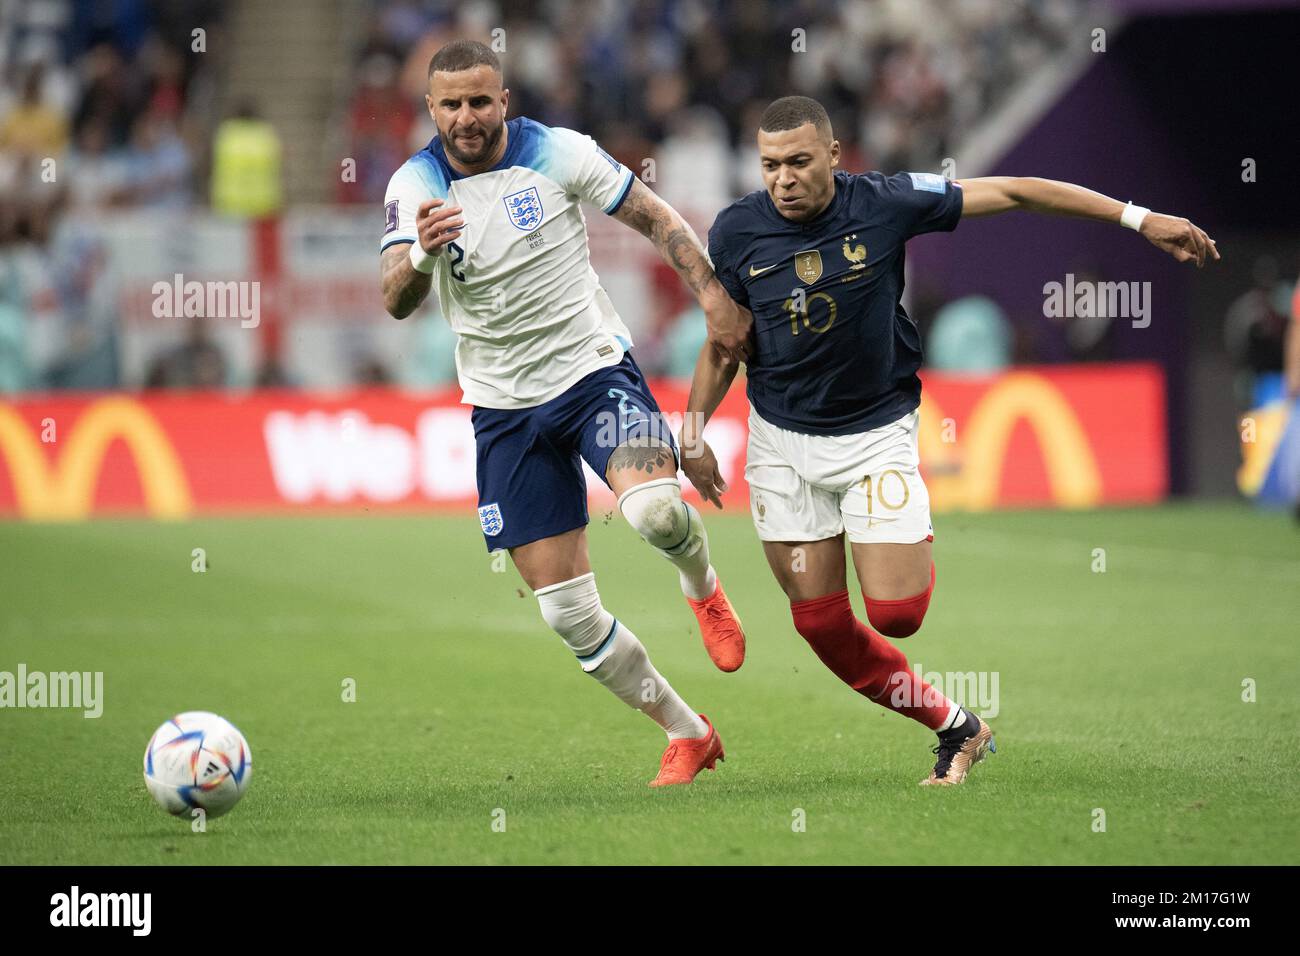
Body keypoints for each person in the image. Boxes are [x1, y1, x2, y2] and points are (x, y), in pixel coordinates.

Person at [685, 95, 1218, 786]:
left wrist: (1138, 218)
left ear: (835, 156)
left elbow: (1019, 191)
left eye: (797, 162)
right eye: (768, 166)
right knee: (819, 625)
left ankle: (891, 523)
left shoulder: (885, 203)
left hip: (874, 434)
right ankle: (956, 727)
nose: (782, 179)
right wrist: (694, 430)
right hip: (781, 442)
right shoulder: (734, 231)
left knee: (897, 615)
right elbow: (725, 344)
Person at [378, 41, 749, 787]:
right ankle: (689, 732)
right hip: (503, 412)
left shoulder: (558, 152)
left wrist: (709, 291)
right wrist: (419, 255)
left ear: (504, 100)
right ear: (431, 110)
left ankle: (703, 587)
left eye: (481, 101)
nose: (467, 117)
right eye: (451, 104)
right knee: (567, 614)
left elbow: (651, 214)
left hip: (592, 375)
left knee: (654, 515)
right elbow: (394, 298)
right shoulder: (413, 184)